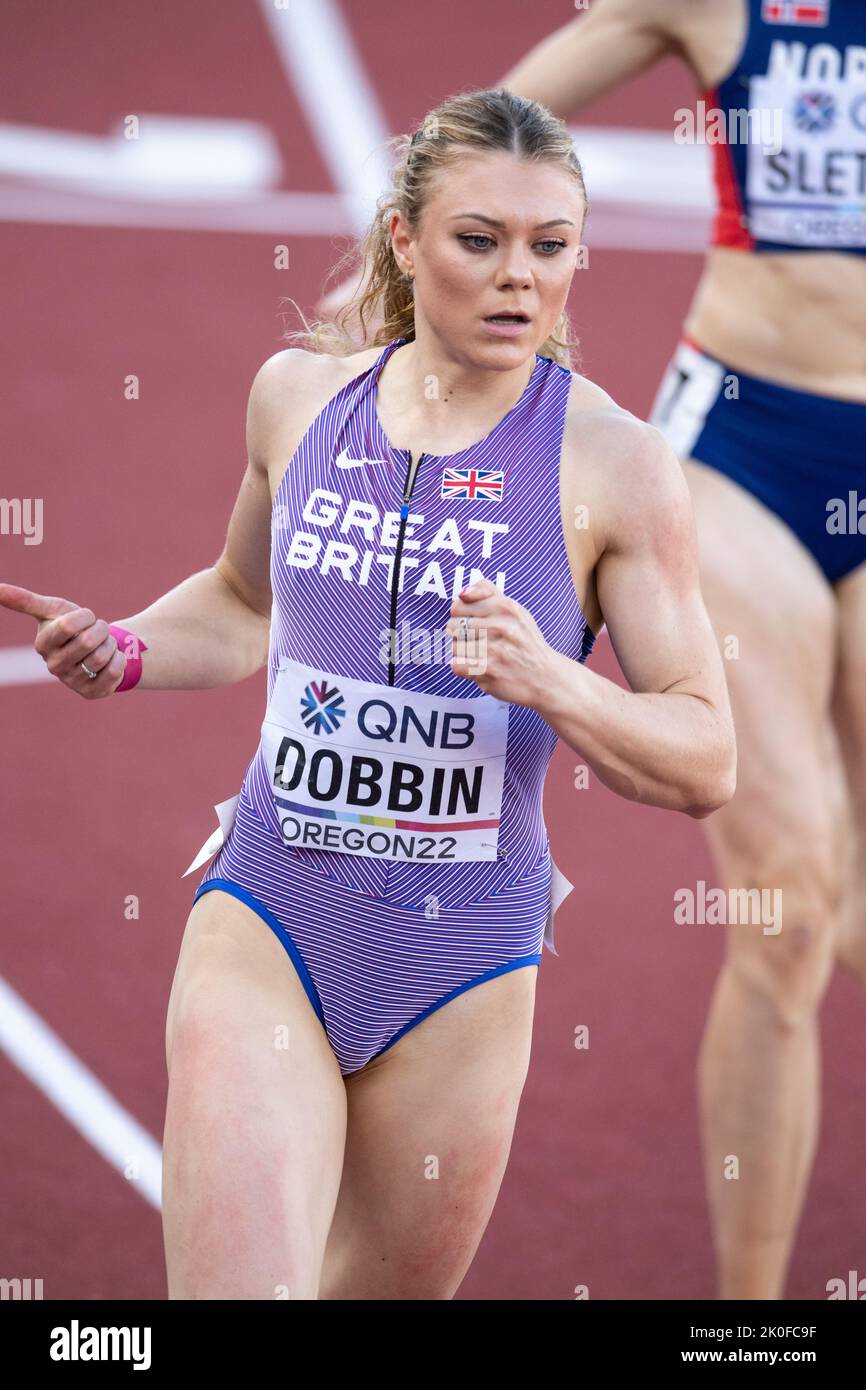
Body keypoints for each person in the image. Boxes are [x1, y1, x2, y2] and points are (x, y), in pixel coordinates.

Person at [0, 88, 735, 1301]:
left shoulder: (613, 465)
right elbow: (241, 605)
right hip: (271, 918)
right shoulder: (297, 398)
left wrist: (548, 676)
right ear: (404, 239)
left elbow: (705, 760)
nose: (518, 279)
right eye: (478, 240)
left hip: (464, 972)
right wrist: (124, 648)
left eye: (549, 247)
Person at [498, 0, 866, 1300]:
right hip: (751, 447)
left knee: (843, 906)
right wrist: (411, 265)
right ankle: (755, 1321)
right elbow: (498, 131)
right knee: (782, 908)